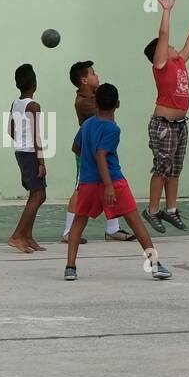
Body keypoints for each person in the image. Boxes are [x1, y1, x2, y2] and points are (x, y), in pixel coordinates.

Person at [66, 83, 171, 282]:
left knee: (79, 223)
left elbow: (75, 147)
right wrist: (107, 185)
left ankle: (70, 267)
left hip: (88, 182)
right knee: (135, 221)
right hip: (113, 181)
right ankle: (154, 264)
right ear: (118, 104)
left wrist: (88, 164)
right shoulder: (113, 129)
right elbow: (101, 155)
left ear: (95, 102)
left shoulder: (87, 124)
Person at [141, 0, 189, 233]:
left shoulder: (179, 61)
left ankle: (170, 210)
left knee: (175, 169)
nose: (173, 46)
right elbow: (164, 36)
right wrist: (167, 11)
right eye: (168, 46)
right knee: (161, 167)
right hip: (163, 124)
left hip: (180, 124)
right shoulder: (160, 65)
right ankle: (151, 210)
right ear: (159, 53)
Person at [61, 60, 135, 244]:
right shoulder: (83, 102)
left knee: (108, 183)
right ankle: (68, 231)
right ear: (84, 80)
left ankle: (113, 229)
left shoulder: (94, 95)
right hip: (87, 154)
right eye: (93, 74)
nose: (97, 76)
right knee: (80, 189)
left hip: (101, 149)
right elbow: (106, 112)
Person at [7, 63, 47, 254]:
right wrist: (41, 162)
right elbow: (37, 135)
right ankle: (16, 236)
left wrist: (20, 141)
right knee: (38, 194)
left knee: (39, 194)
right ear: (35, 83)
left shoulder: (16, 103)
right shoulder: (33, 105)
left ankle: (27, 236)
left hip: (20, 151)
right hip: (30, 153)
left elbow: (10, 130)